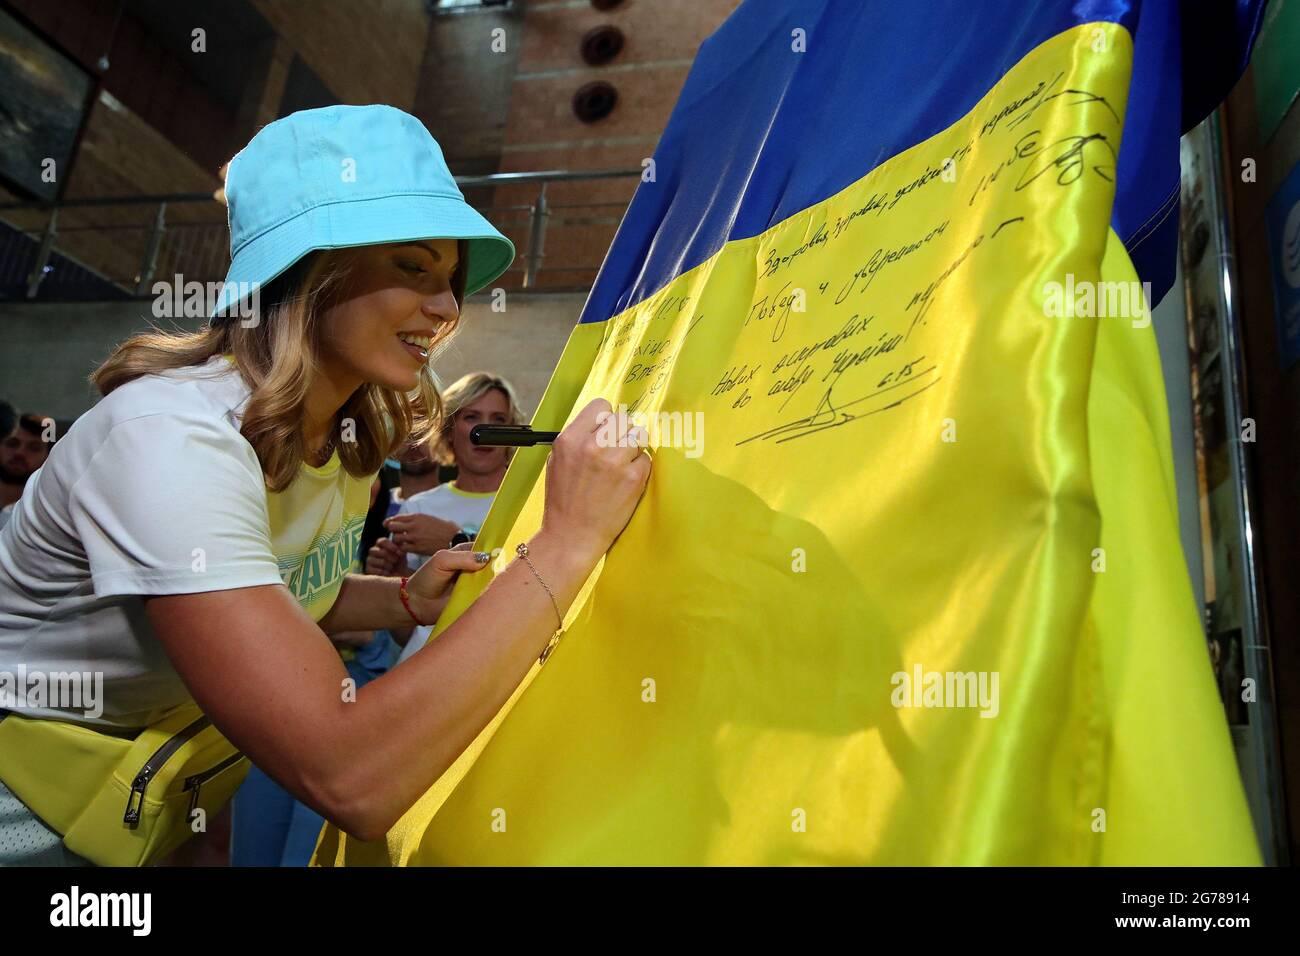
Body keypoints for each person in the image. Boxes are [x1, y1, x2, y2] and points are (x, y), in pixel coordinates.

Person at [0, 104, 651, 866]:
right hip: (26, 803)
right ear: (305, 271)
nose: (446, 309)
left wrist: (402, 601)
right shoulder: (170, 440)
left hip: (150, 785)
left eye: (451, 279)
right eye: (413, 267)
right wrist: (568, 542)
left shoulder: (341, 437)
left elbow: (269, 590)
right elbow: (349, 775)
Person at [369, 372, 523, 663]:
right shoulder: (417, 509)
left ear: (513, 430)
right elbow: (406, 634)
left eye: (498, 420)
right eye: (472, 417)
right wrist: (395, 578)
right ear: (450, 429)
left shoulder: (532, 500)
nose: (485, 429)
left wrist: (454, 540)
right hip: (426, 666)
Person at [0, 412, 54, 509]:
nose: (19, 453)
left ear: (47, 456)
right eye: (12, 444)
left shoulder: (51, 512)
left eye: (34, 448)